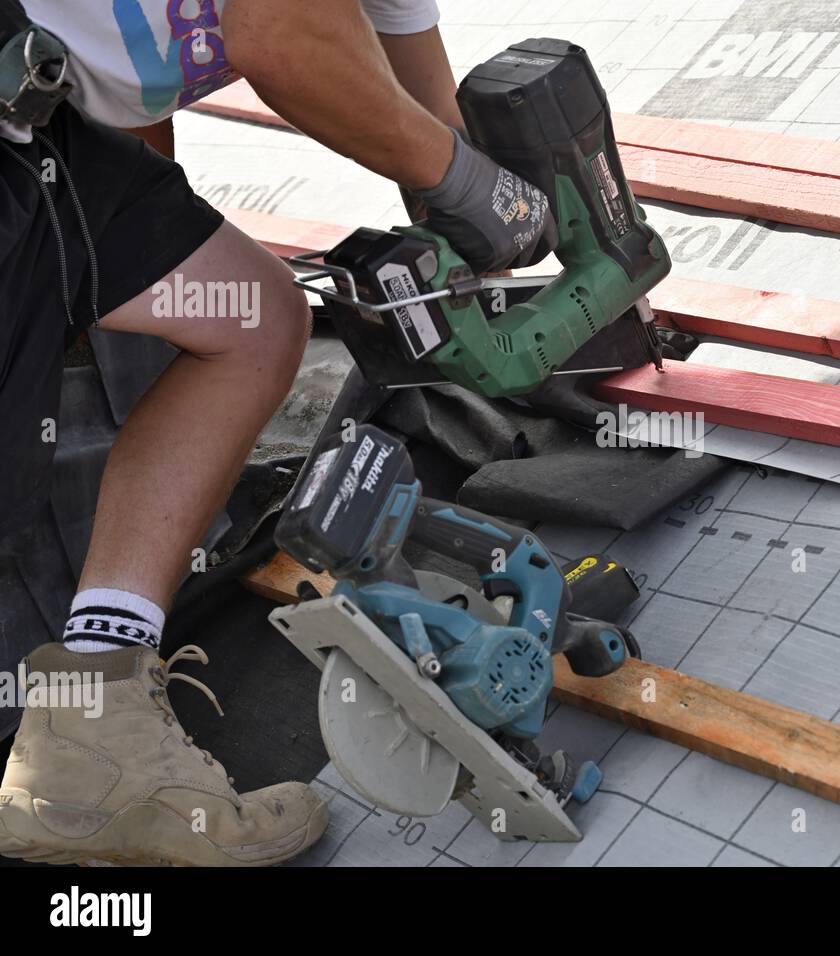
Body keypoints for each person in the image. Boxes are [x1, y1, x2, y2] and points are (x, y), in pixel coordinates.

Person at [0, 0, 555, 866]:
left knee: (246, 315)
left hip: (34, 124)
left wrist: (476, 214)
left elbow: (425, 117)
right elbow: (279, 30)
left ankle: (93, 722)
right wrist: (478, 190)